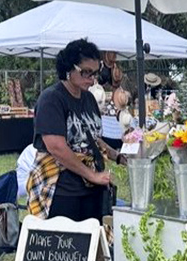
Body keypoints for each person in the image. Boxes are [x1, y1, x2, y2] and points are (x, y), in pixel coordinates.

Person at [27, 39, 121, 222]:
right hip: (61, 190)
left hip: (91, 191)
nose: (92, 79)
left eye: (95, 73)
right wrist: (92, 175)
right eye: (85, 72)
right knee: (65, 247)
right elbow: (57, 148)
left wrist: (117, 156)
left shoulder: (89, 99)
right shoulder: (51, 99)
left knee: (93, 244)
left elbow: (93, 139)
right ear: (68, 69)